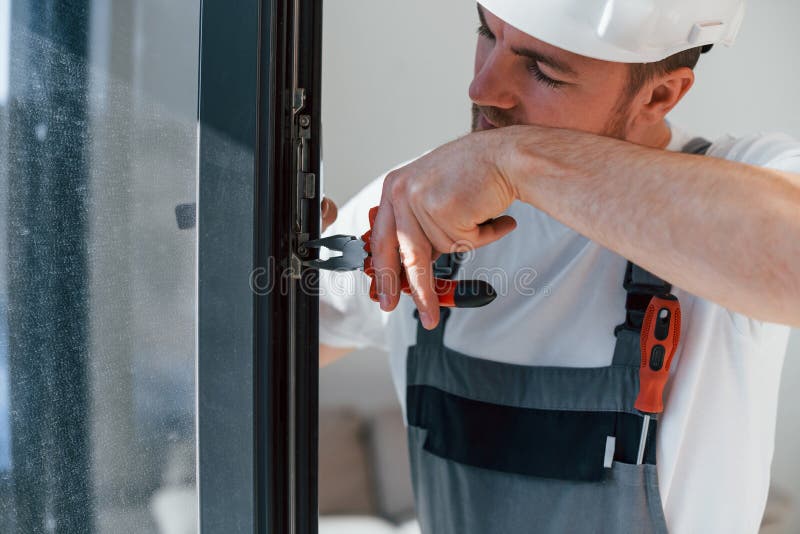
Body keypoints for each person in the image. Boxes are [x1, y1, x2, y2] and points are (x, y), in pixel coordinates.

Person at [318, 1, 800, 532]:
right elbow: (262, 355)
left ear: (659, 95)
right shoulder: (420, 204)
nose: (482, 87)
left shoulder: (745, 178)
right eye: (487, 33)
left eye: (542, 70)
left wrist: (511, 161)